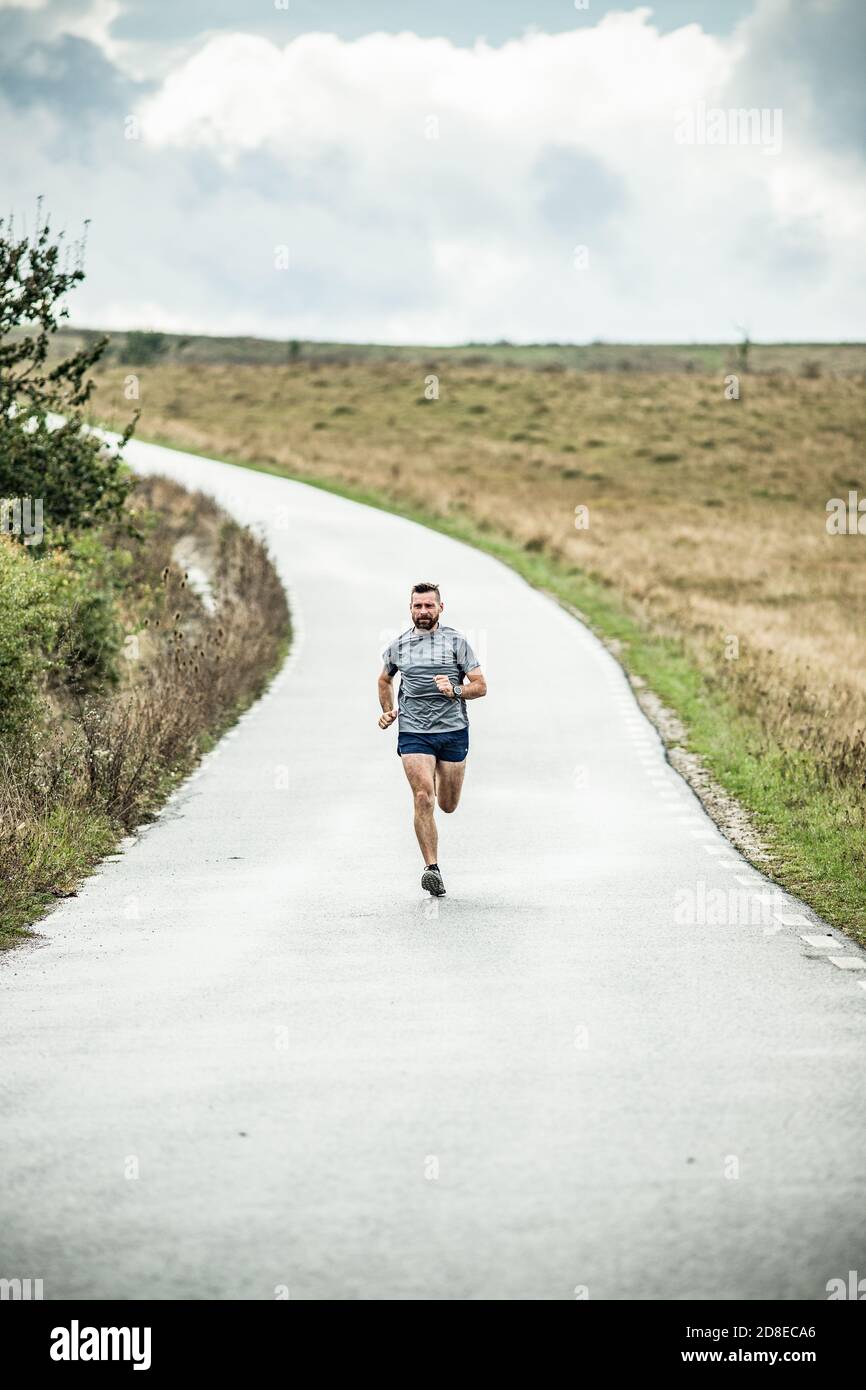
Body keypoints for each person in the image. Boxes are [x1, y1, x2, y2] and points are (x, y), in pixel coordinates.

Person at [378, 582, 487, 896]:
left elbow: (480, 686)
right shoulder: (398, 646)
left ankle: (437, 780)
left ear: (441, 608)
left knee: (448, 804)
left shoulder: (456, 642)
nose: (423, 612)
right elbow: (384, 678)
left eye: (428, 606)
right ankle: (432, 869)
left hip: (452, 731)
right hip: (414, 732)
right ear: (410, 609)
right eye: (417, 606)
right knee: (423, 797)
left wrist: (454, 690)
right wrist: (387, 710)